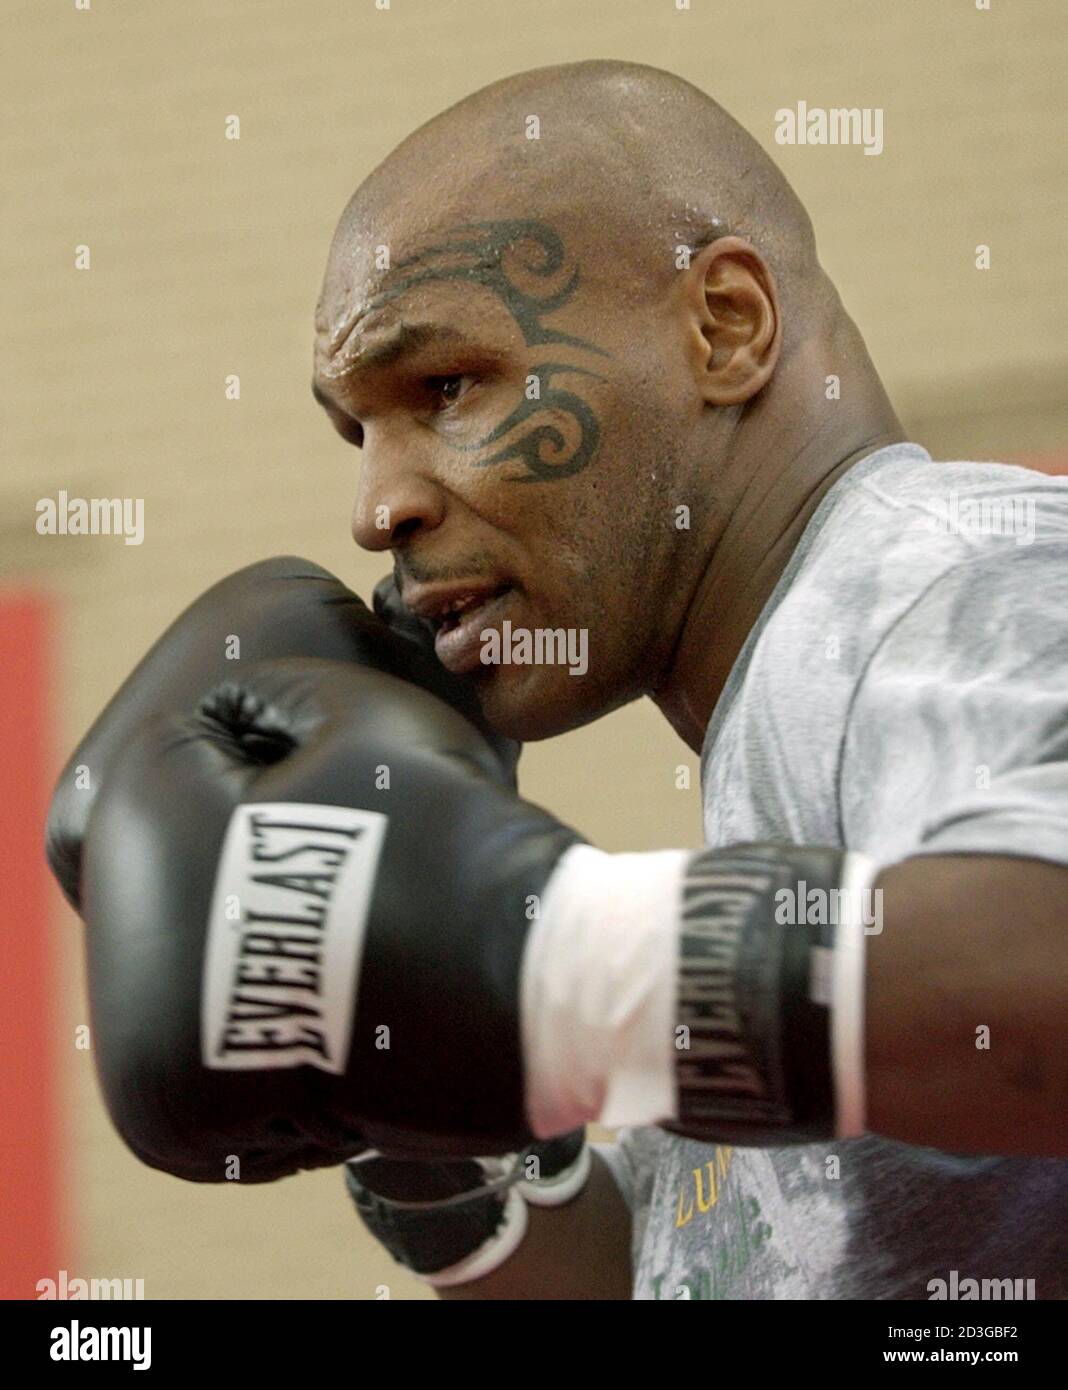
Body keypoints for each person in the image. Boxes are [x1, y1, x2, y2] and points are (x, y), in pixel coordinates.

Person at [49, 61, 1068, 1301]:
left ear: (726, 326)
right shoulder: (787, 724)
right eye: (355, 433)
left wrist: (540, 961)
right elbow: (673, 1272)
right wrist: (394, 1081)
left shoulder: (945, 581)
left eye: (444, 387)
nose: (377, 508)